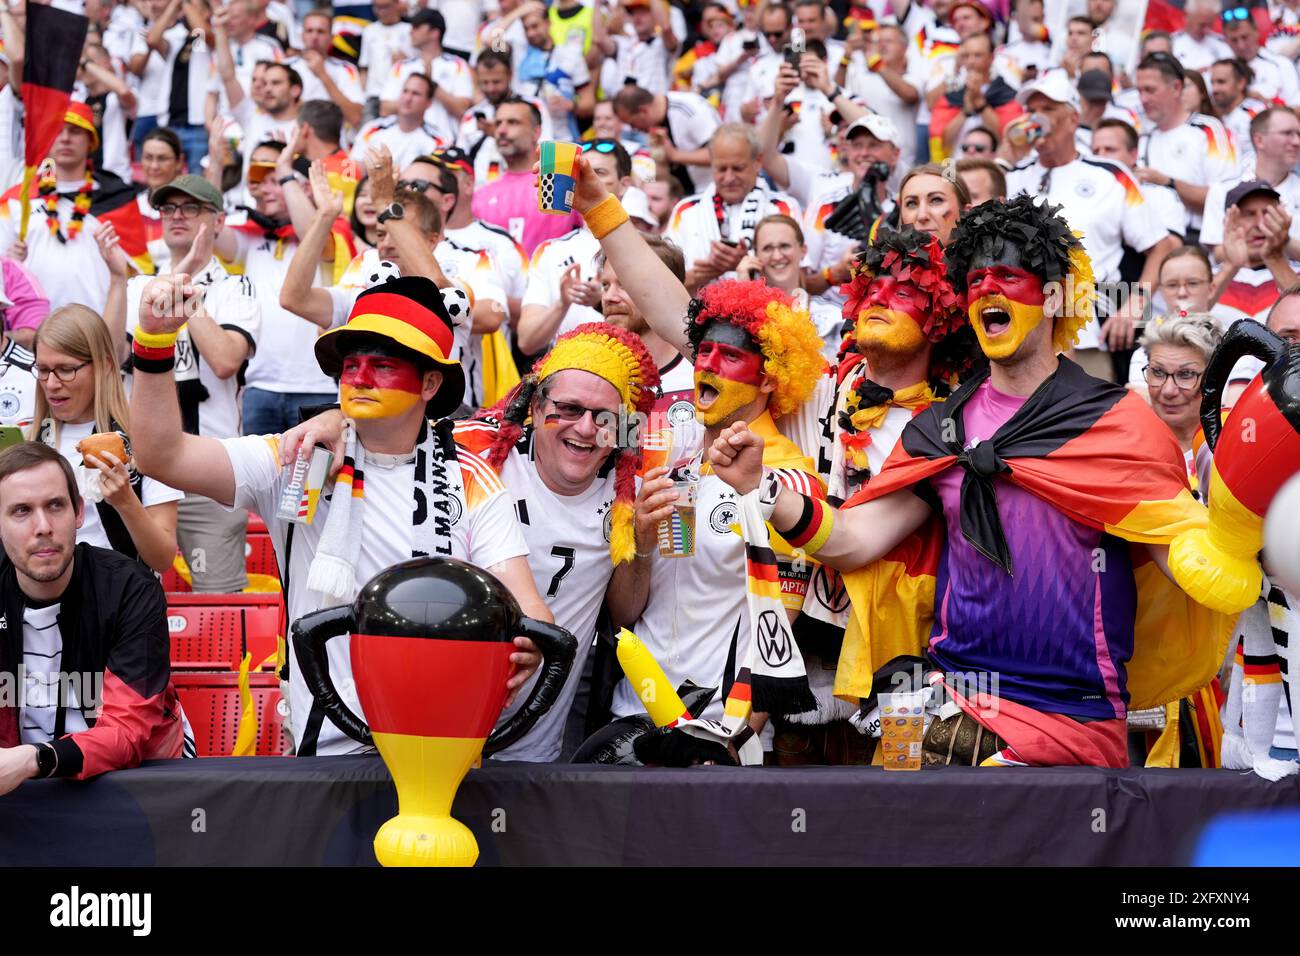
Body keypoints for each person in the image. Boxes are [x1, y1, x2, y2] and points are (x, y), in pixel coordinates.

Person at [707, 194, 1231, 768]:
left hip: (1070, 722)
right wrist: (764, 488)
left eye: (1008, 275)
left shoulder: (1119, 423)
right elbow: (853, 541)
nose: (988, 289)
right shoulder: (943, 429)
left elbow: (1184, 558)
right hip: (949, 701)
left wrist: (1248, 535)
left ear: (1055, 296)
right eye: (976, 279)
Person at [129, 270, 548, 756]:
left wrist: (531, 643)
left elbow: (526, 602)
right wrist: (154, 344)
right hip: (325, 743)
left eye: (384, 365)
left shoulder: (471, 473)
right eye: (351, 365)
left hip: (441, 739)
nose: (361, 378)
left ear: (431, 382)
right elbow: (161, 456)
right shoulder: (295, 455)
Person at [561, 152, 828, 747]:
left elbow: (776, 631)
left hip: (717, 729)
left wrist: (730, 737)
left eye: (728, 357)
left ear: (768, 379)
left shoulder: (787, 478)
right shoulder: (671, 452)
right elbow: (626, 613)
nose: (705, 364)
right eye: (701, 352)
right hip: (630, 714)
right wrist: (639, 549)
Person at [784, 225, 973, 764]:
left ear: (937, 321)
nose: (879, 301)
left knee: (896, 794)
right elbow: (690, 327)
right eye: (871, 290)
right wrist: (600, 210)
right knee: (797, 795)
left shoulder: (960, 418)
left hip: (908, 652)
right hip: (814, 637)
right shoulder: (819, 390)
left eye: (905, 293)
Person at [102, 174, 261, 594]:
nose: (177, 216)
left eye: (191, 208)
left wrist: (183, 287)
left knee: (218, 596)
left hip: (210, 468)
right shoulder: (139, 285)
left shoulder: (234, 287)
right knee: (133, 595)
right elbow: (109, 360)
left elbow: (225, 360)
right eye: (168, 208)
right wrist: (120, 283)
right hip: (144, 470)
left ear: (219, 221)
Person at [0, 442, 186, 795]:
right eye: (21, 511)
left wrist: (32, 760)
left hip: (134, 779)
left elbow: (128, 733)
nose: (43, 527)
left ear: (79, 512)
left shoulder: (129, 588)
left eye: (55, 506)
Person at [1006, 72, 1180, 380]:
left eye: (1047, 110)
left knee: (1093, 422)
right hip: (1026, 330)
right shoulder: (1011, 176)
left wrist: (1135, 303)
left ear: (1073, 119)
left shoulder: (1110, 175)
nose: (1036, 119)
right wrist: (1010, 154)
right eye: (1031, 111)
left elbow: (1161, 246)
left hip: (1091, 330)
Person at [29, 307, 181, 575]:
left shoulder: (144, 442)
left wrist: (125, 502)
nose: (51, 383)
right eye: (42, 370)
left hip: (119, 603)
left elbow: (163, 558)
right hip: (40, 607)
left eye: (66, 370)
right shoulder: (28, 440)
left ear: (105, 366)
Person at [0, 104, 149, 313]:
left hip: (99, 329)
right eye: (57, 130)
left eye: (75, 131)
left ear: (91, 141)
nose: (65, 138)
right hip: (33, 328)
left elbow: (140, 275)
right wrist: (10, 261)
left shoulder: (117, 198)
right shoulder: (17, 199)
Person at [518, 140, 640, 353]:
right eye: (581, 172)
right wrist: (562, 303)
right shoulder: (550, 251)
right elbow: (526, 342)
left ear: (624, 184)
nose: (587, 179)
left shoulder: (648, 247)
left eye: (599, 172)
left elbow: (664, 325)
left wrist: (600, 303)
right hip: (566, 376)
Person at [664, 123, 801, 294]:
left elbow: (801, 279)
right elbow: (663, 287)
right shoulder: (685, 211)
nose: (729, 178)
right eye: (721, 169)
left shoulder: (783, 208)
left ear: (758, 161)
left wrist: (746, 265)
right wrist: (702, 274)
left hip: (768, 316)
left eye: (738, 168)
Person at [1133, 52, 1240, 240]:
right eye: (1140, 91)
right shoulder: (1143, 139)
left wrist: (1168, 182)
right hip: (1148, 242)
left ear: (1176, 88)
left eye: (1150, 90)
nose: (1143, 99)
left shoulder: (1210, 131)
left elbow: (1229, 199)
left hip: (1195, 243)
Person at [471, 96, 583, 256]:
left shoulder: (559, 185)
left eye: (513, 122)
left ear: (536, 131)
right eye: (498, 123)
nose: (502, 130)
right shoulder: (481, 195)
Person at [735, 213, 842, 360]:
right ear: (756, 255)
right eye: (767, 248)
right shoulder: (742, 318)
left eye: (785, 246)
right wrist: (744, 292)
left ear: (803, 250)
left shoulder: (835, 316)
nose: (777, 256)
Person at [1200, 107, 1300, 260]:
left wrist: (1283, 240)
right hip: (1236, 280)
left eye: (1298, 134)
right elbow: (1217, 252)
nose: (1296, 141)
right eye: (1287, 133)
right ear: (1259, 140)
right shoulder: (1223, 189)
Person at [1139, 312, 1223, 478]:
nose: (1168, 390)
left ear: (1214, 378)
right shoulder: (1128, 443)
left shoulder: (1233, 445)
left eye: (1186, 374)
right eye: (1158, 372)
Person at [379, 9, 476, 144]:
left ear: (434, 33)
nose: (411, 31)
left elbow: (462, 110)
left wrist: (431, 85)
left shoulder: (457, 65)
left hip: (445, 144)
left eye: (417, 27)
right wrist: (417, 99)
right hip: (404, 142)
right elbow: (385, 109)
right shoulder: (401, 66)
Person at [611, 84, 722, 195]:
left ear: (643, 111)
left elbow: (719, 155)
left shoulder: (690, 110)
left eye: (632, 123)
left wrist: (675, 155)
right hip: (683, 192)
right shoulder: (656, 121)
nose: (634, 129)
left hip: (711, 190)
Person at [841, 23, 923, 164]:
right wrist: (845, 59)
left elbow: (909, 94)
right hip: (865, 155)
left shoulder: (913, 76)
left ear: (905, 48)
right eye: (878, 42)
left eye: (888, 41)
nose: (882, 46)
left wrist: (877, 65)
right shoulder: (864, 76)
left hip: (901, 160)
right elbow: (838, 92)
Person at [515, 1, 593, 139]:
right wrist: (518, 12)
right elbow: (491, 39)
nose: (531, 33)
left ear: (548, 22)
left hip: (562, 137)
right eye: (526, 29)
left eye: (535, 26)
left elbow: (589, 103)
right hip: (526, 139)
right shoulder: (518, 53)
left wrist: (571, 105)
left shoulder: (571, 55)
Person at [285, 8, 364, 129]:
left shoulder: (346, 69)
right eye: (309, 31)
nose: (314, 36)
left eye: (321, 31)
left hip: (331, 142)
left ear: (331, 37)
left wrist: (323, 75)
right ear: (302, 36)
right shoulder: (285, 66)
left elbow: (355, 117)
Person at [350, 75, 447, 171]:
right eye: (405, 91)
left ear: (428, 103)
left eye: (415, 94)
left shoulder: (439, 142)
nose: (408, 98)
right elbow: (355, 168)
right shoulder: (373, 128)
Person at [1223, 7, 1300, 106]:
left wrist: (1268, 103)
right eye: (1234, 40)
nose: (1241, 46)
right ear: (1225, 40)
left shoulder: (1281, 64)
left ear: (1256, 31)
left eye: (1245, 37)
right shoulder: (1221, 70)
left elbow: (1297, 108)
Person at [136, 127, 185, 271]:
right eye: (148, 158)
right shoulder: (131, 208)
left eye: (162, 158)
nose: (154, 166)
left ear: (179, 161)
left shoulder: (193, 209)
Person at [1210, 58, 1267, 169]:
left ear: (1241, 83)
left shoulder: (1257, 113)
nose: (1214, 89)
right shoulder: (1211, 117)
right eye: (1212, 82)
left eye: (1221, 82)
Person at [1171, 0, 1233, 74]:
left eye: (1210, 25)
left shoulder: (1224, 45)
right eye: (1202, 25)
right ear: (1186, 15)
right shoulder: (1171, 44)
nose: (1207, 30)